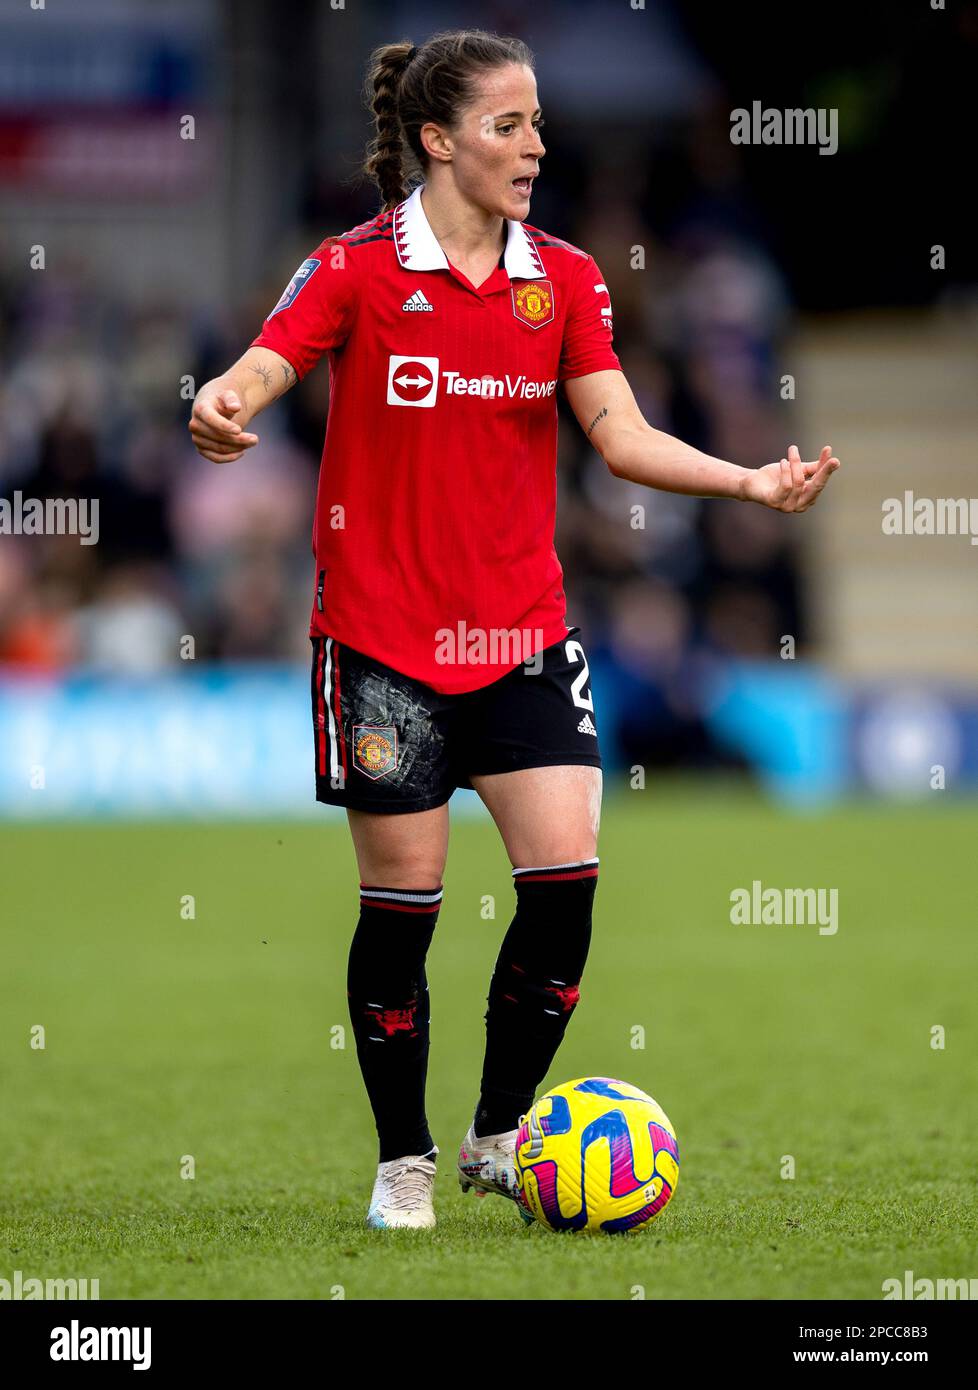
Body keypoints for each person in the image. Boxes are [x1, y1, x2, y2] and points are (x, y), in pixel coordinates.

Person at [188, 28, 840, 1230]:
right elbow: (263, 366)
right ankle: (404, 1163)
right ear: (438, 140)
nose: (537, 145)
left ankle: (496, 1132)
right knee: (406, 909)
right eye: (509, 125)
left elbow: (623, 435)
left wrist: (749, 483)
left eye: (538, 123)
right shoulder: (354, 267)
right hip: (380, 641)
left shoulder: (569, 280)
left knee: (567, 886)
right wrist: (225, 404)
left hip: (522, 637)